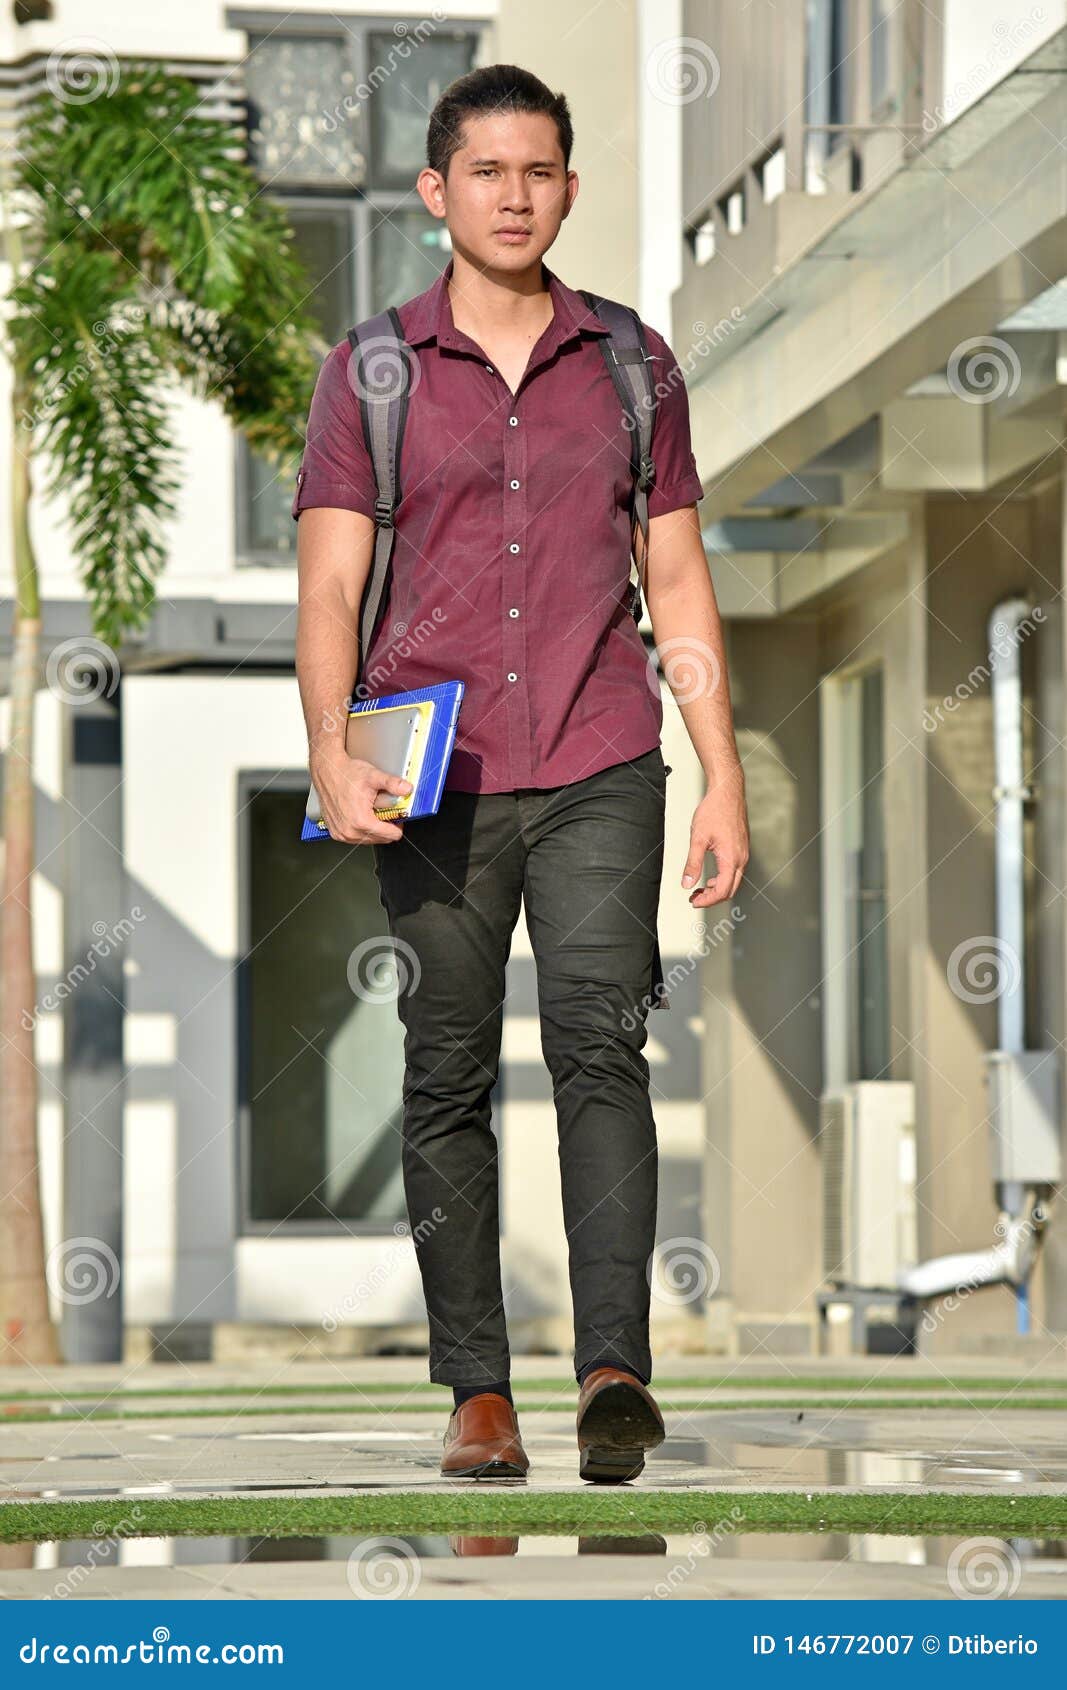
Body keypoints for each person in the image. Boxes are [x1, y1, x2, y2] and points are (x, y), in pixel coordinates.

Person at [293, 63, 749, 1483]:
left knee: (602, 1044)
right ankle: (478, 1390)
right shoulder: (370, 370)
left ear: (567, 186)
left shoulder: (631, 361)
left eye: (539, 170)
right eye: (485, 171)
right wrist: (325, 745)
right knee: (442, 1073)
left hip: (603, 747)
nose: (514, 194)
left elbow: (674, 578)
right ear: (437, 192)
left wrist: (721, 768)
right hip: (429, 769)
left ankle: (613, 1364)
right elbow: (329, 586)